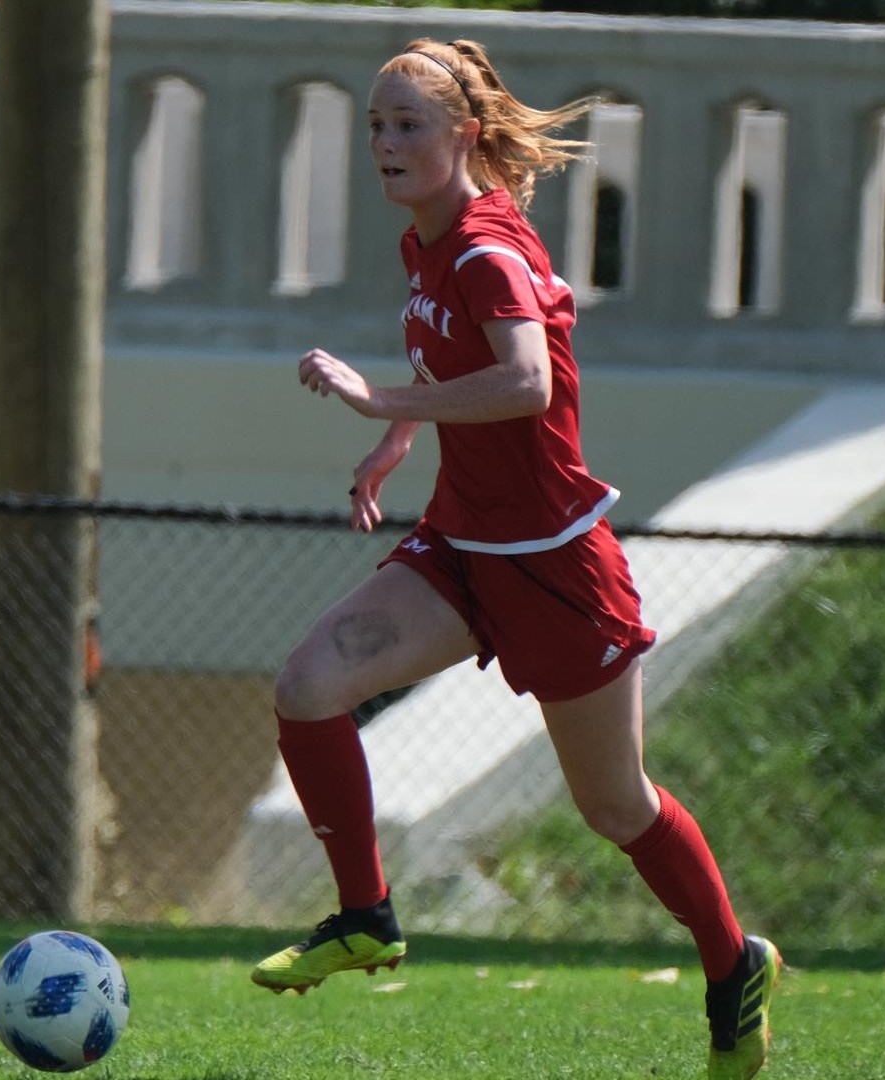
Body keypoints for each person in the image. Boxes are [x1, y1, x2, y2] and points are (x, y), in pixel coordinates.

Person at [248, 38, 776, 1080]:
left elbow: (526, 381)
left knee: (615, 806)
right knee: (308, 687)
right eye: (376, 126)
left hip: (553, 564)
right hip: (461, 546)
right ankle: (365, 914)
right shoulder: (428, 242)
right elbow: (449, 357)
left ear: (464, 136)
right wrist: (399, 442)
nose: (386, 144)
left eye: (408, 125)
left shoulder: (486, 248)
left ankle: (731, 965)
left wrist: (379, 402)